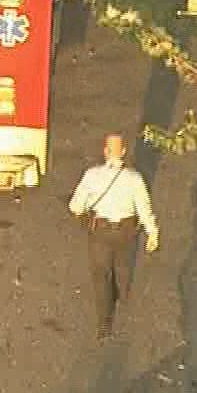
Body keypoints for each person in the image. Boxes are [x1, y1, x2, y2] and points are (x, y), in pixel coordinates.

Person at [67, 133, 160, 338]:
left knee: (101, 276)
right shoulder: (134, 179)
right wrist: (152, 232)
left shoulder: (92, 175)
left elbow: (75, 206)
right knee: (123, 266)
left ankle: (104, 323)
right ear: (124, 153)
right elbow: (144, 208)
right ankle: (124, 298)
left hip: (100, 231)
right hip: (126, 231)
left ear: (105, 152)